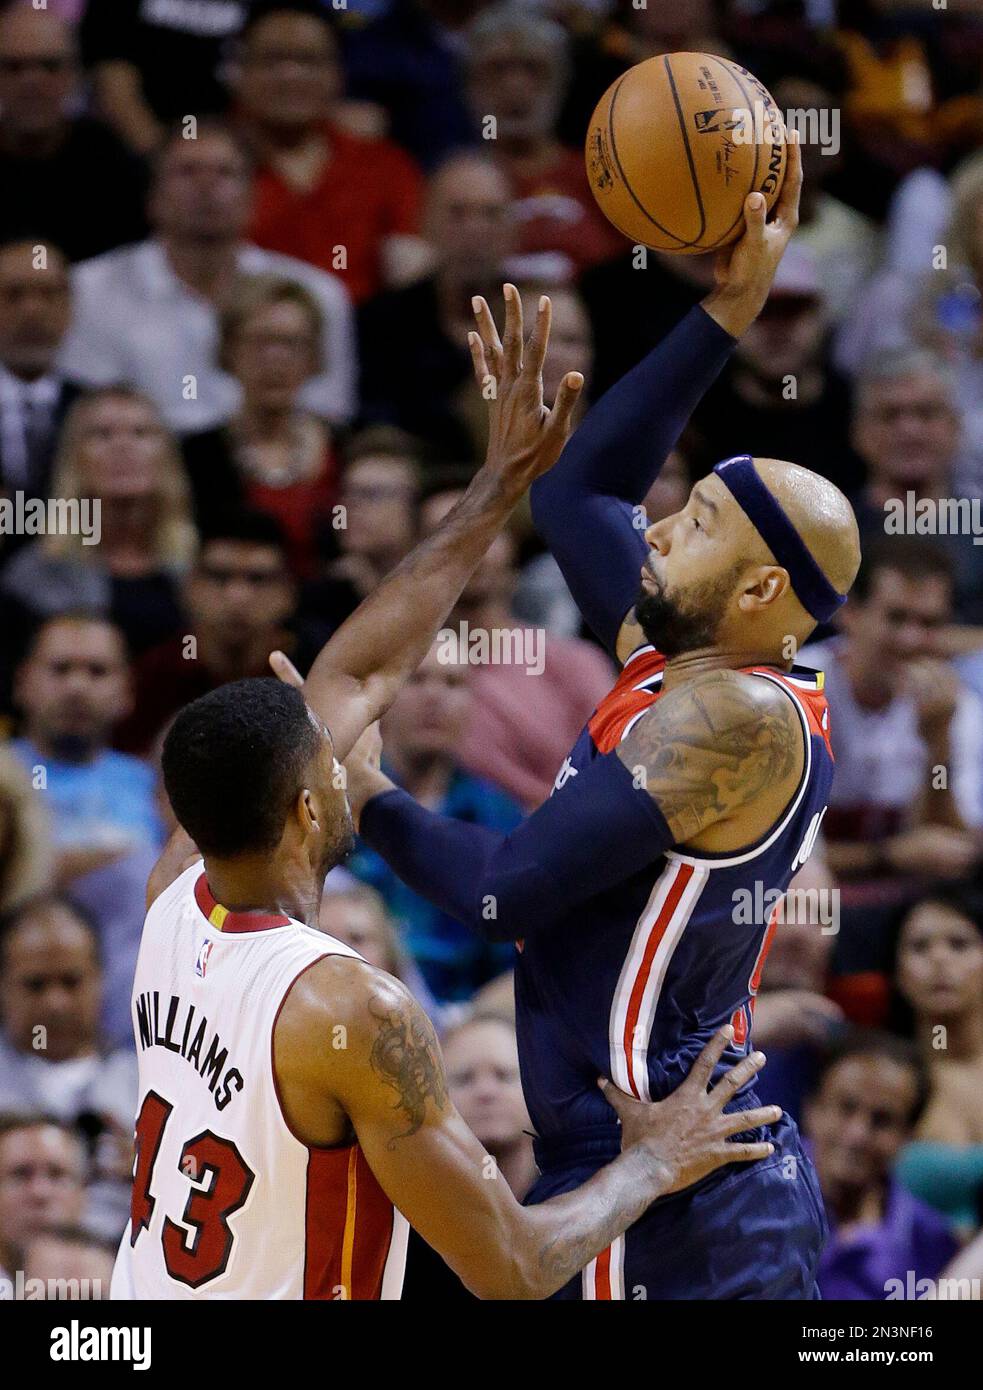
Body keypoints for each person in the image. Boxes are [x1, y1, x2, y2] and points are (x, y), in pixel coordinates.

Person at [111, 285, 781, 1300]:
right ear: (304, 809)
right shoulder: (350, 1004)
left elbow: (353, 677)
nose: (356, 746)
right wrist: (653, 1159)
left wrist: (497, 478)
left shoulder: (172, 897)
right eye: (335, 765)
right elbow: (510, 1266)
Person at [342, 143, 856, 1300]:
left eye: (698, 520)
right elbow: (576, 491)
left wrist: (362, 791)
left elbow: (503, 891)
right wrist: (726, 304)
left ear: (761, 591)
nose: (660, 527)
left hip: (687, 1189)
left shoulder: (735, 720)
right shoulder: (677, 648)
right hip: (639, 1160)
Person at [58, 122, 355, 433]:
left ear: (253, 196)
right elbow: (89, 419)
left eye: (225, 173)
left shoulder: (315, 293)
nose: (206, 186)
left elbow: (325, 417)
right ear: (152, 196)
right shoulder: (88, 290)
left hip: (273, 474)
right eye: (187, 172)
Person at [802, 537, 983, 890]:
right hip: (809, 904)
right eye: (896, 617)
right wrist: (887, 855)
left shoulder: (953, 705)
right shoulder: (799, 689)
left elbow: (956, 850)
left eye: (929, 623)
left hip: (908, 912)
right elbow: (775, 851)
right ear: (851, 613)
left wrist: (938, 746)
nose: (911, 639)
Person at [348, 640, 522, 1003]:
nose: (434, 697)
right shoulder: (341, 803)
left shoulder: (499, 814)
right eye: (417, 679)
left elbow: (521, 958)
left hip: (467, 1023)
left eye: (453, 683)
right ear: (381, 699)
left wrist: (473, 1024)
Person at [235, 3, 425, 305]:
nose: (290, 75)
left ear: (338, 73)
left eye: (308, 60)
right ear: (239, 71)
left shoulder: (386, 166)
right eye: (272, 60)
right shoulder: (208, 167)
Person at [115, 510, 327, 758]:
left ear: (288, 593)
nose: (237, 596)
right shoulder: (156, 674)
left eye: (257, 579)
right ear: (190, 587)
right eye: (219, 577)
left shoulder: (314, 669)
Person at [3, 387, 197, 657]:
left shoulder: (200, 565)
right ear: (74, 458)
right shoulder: (33, 576)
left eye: (141, 433)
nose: (123, 446)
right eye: (102, 434)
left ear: (166, 455)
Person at [182, 275, 339, 578]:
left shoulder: (345, 450)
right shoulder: (195, 455)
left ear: (315, 356)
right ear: (229, 350)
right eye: (260, 341)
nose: (276, 359)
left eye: (292, 343)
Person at [804, 1031, 960, 1301]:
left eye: (882, 1120)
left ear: (909, 1137)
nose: (857, 1135)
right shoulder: (752, 1198)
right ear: (812, 1109)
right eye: (846, 1107)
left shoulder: (931, 1242)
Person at [0, 6, 148, 262]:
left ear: (75, 74)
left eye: (50, 66)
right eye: (14, 67)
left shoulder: (114, 163)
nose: (31, 81)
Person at [890, 889, 983, 1234]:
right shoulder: (876, 1078)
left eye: (959, 944)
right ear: (897, 972)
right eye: (919, 947)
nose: (940, 959)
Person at [0, 237, 76, 500]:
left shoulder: (92, 408)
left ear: (70, 307)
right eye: (13, 294)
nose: (32, 310)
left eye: (48, 293)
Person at [0, 1113, 87, 1281]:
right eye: (20, 1174)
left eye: (57, 1175)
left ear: (82, 1193)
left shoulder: (121, 1286)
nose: (40, 1193)